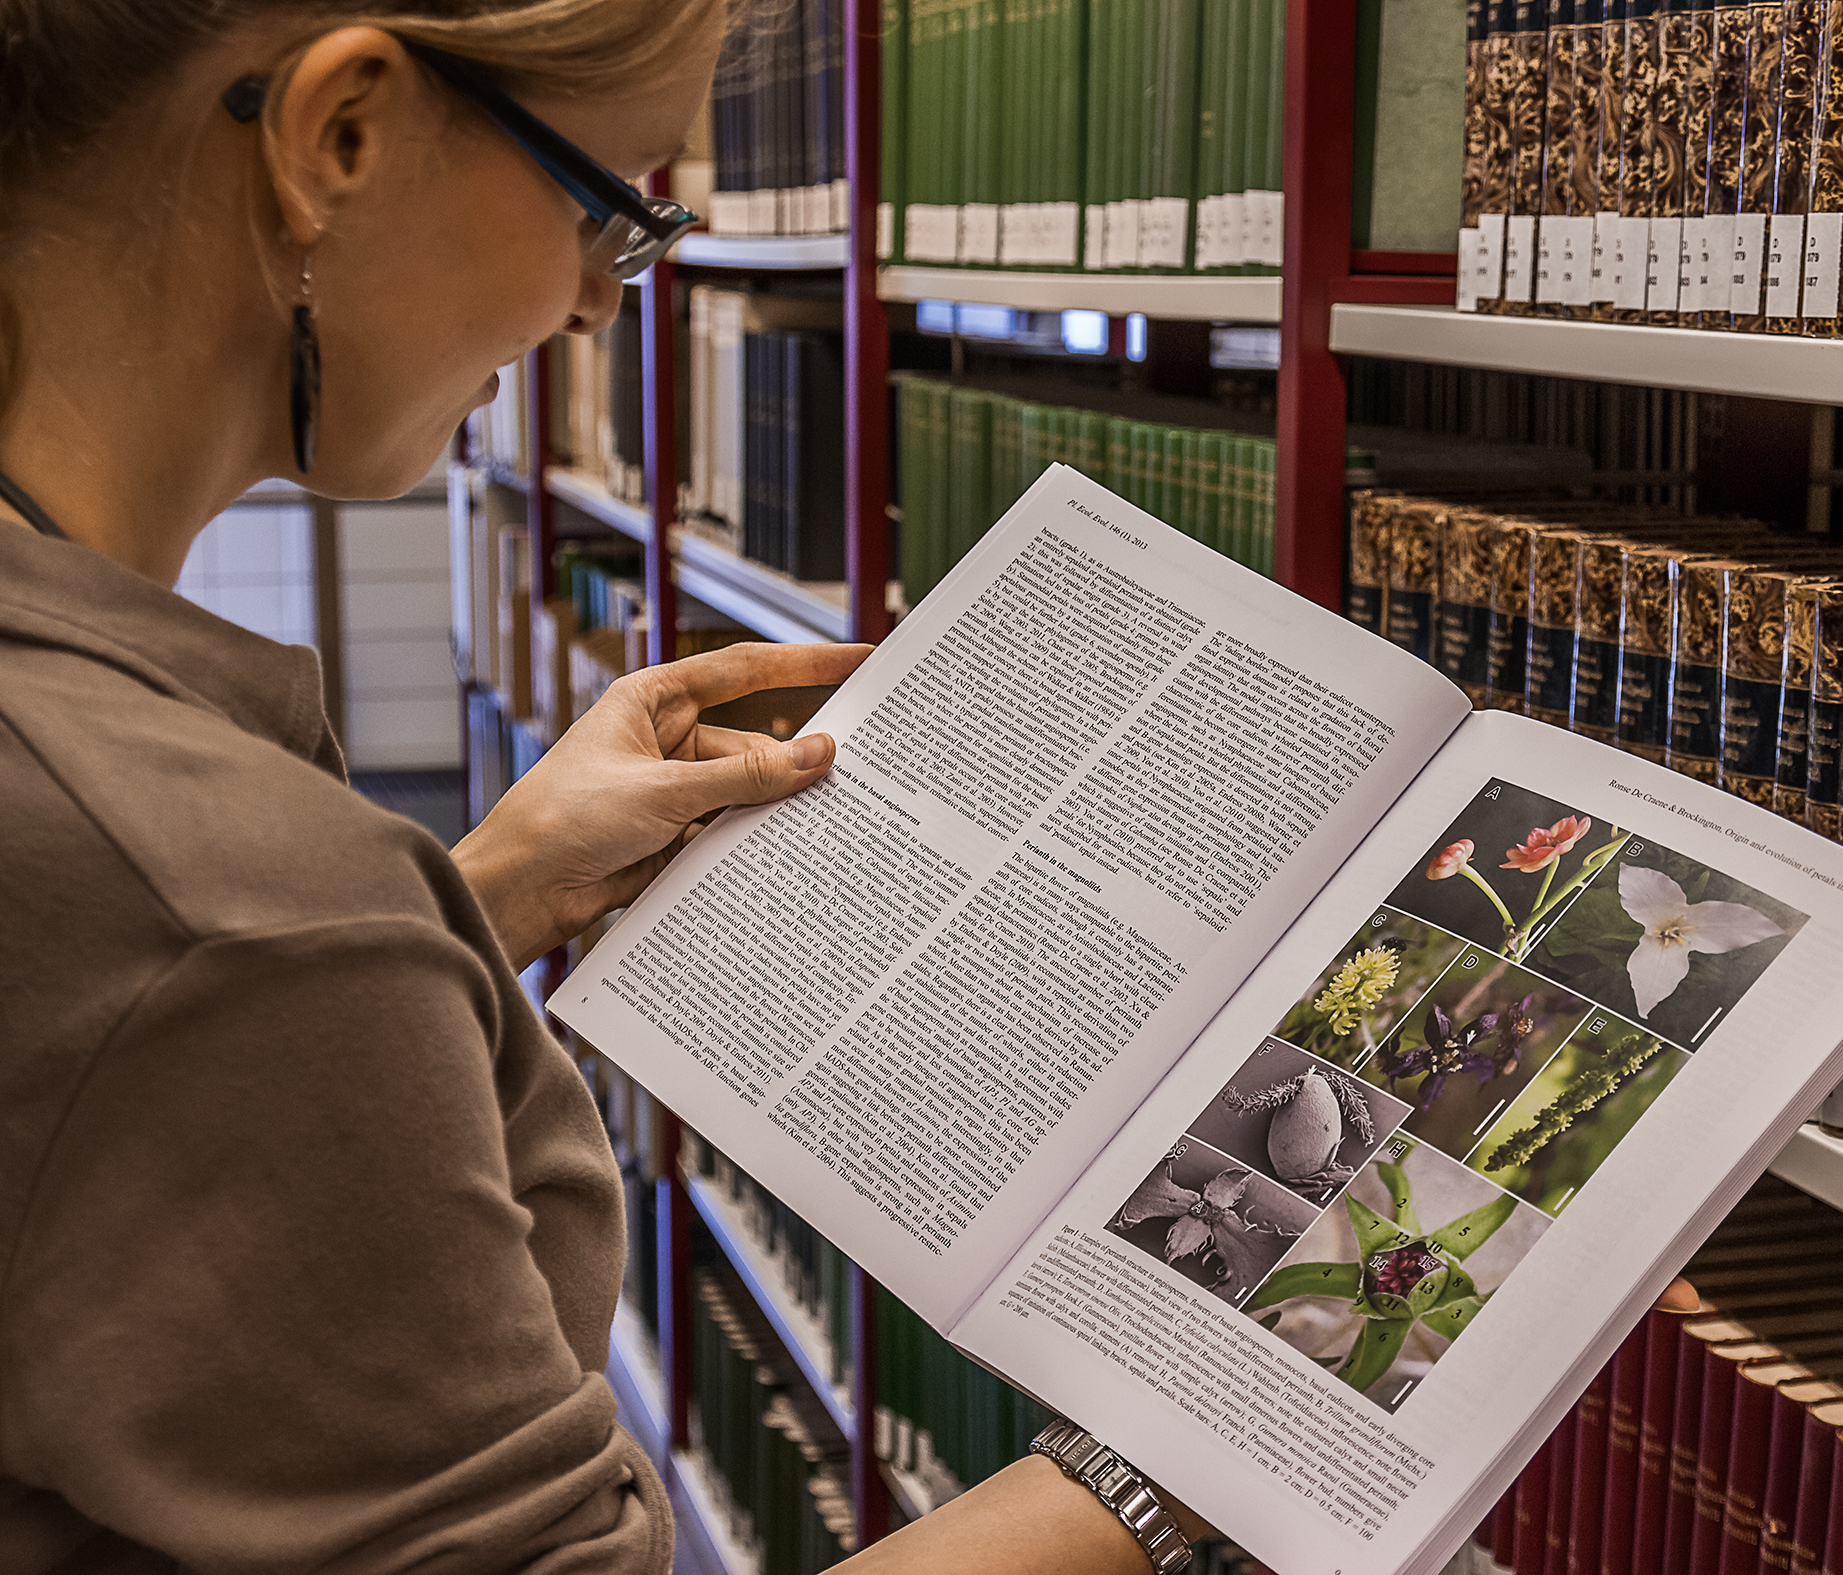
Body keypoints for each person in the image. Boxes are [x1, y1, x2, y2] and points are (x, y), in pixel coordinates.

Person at [0, 4, 1690, 1567]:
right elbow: (191, 973)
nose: (598, 305)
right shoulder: (218, 901)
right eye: (612, 210)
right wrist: (1188, 1457)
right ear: (339, 139)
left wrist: (478, 902)